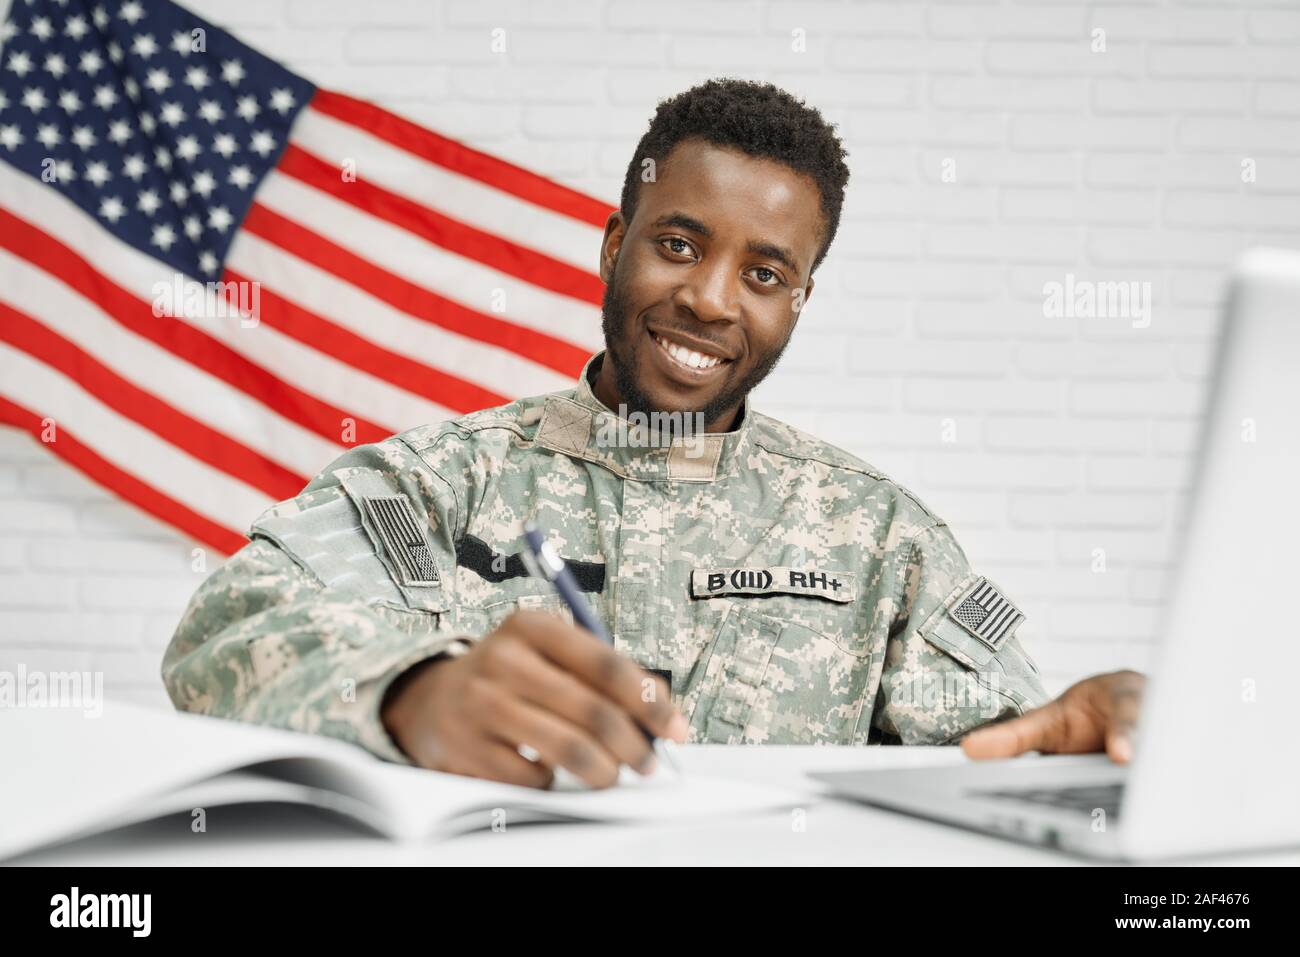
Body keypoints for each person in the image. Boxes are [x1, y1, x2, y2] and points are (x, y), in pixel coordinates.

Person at [163, 79, 1145, 789]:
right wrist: (412, 693)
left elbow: (995, 750)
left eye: (764, 275)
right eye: (677, 244)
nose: (709, 300)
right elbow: (227, 627)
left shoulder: (883, 533)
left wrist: (1070, 744)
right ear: (612, 244)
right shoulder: (440, 481)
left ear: (799, 300)